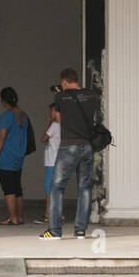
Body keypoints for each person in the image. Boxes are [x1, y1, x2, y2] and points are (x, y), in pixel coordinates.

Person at [39, 67, 101, 240]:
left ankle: (55, 230)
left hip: (69, 145)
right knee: (84, 188)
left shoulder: (60, 97)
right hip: (87, 146)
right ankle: (80, 230)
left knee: (57, 186)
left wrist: (61, 95)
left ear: (64, 82)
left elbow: (60, 120)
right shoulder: (91, 95)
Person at [0, 86, 29, 225]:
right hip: (18, 157)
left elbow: (2, 136)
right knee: (17, 187)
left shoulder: (6, 116)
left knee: (8, 188)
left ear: (3, 101)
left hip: (6, 156)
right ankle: (19, 217)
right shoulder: (23, 115)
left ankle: (12, 218)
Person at [33, 103, 61, 225]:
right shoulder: (62, 126)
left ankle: (48, 214)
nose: (50, 114)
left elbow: (43, 138)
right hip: (58, 161)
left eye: (51, 111)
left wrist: (48, 122)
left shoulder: (54, 125)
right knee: (55, 188)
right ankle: (56, 213)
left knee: (48, 188)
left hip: (52, 161)